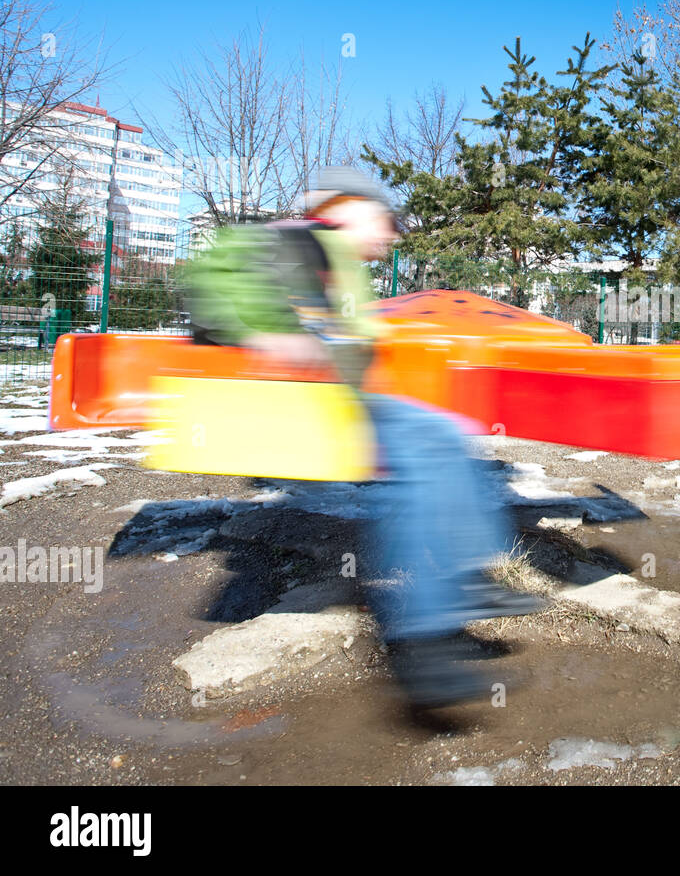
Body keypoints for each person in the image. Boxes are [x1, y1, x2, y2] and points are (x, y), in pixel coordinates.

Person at [185, 166, 543, 709]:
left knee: (443, 435)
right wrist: (263, 338)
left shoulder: (341, 266)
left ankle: (465, 580)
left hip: (326, 401)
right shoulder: (295, 240)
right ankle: (425, 647)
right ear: (347, 205)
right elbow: (211, 286)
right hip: (282, 405)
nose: (392, 233)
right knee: (426, 447)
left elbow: (356, 346)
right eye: (386, 218)